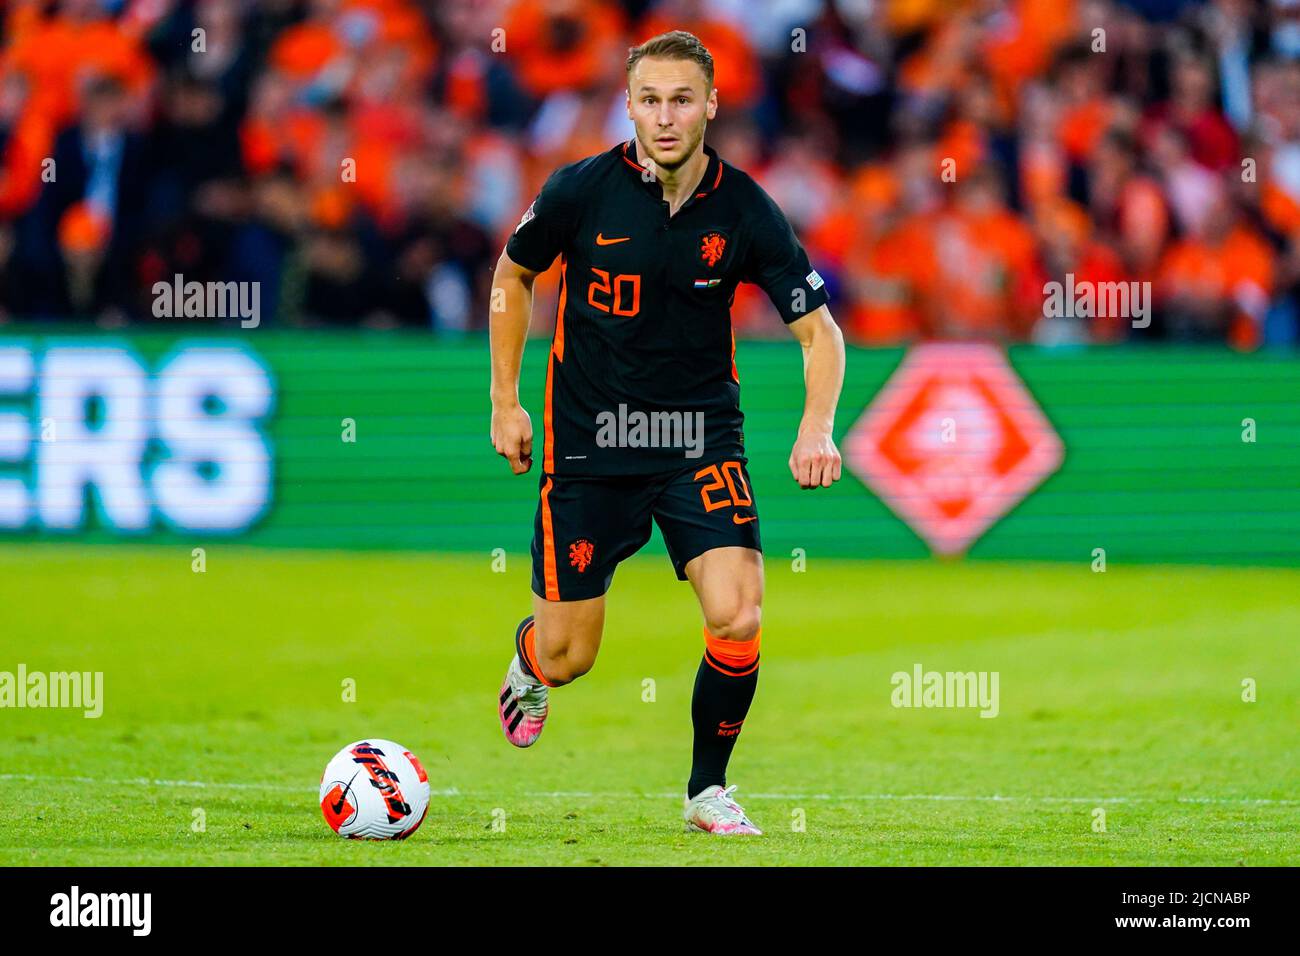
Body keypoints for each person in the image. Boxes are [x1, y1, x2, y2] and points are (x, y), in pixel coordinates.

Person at [487, 30, 845, 835]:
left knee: (738, 612)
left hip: (697, 441)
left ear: (712, 104)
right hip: (588, 445)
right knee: (572, 656)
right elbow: (513, 276)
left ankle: (706, 790)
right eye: (649, 99)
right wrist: (504, 401)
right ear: (629, 105)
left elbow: (820, 331)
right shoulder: (581, 191)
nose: (666, 115)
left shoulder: (746, 208)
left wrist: (815, 427)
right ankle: (531, 658)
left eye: (683, 98)